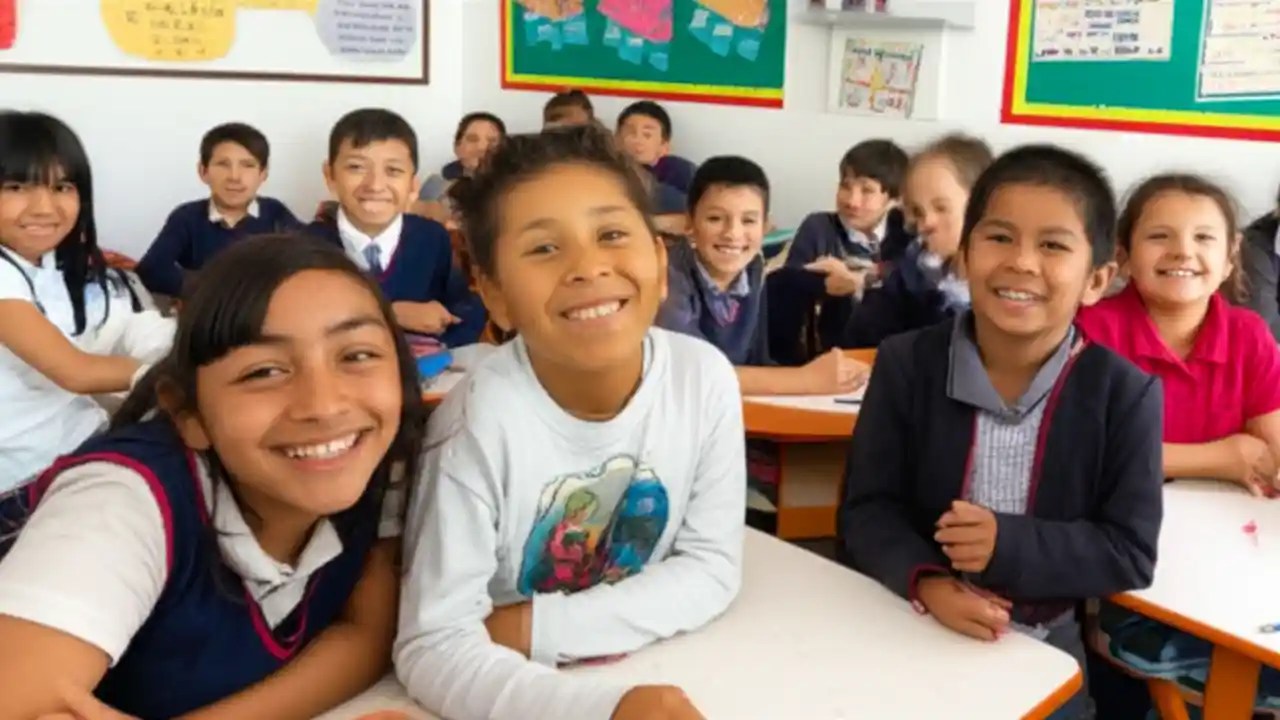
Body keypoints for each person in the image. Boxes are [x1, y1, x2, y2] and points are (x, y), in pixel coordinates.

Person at [395, 126, 744, 720]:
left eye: (611, 233)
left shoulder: (702, 379)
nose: (587, 267)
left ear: (661, 263)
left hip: (667, 663)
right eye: (544, 248)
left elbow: (711, 566)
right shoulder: (477, 423)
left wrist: (531, 626)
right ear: (495, 294)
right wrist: (604, 711)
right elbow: (432, 644)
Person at [0, 235, 424, 718]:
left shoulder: (379, 458)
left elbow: (364, 634)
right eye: (264, 371)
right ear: (188, 414)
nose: (326, 405)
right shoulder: (120, 505)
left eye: (357, 355)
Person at [839, 145, 1164, 720]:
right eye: (999, 237)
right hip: (911, 627)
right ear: (965, 254)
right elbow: (867, 509)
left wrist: (1006, 545)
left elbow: (1129, 552)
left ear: (1098, 279)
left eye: (1053, 245)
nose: (1021, 262)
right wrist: (931, 583)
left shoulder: (1125, 394)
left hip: (1041, 652)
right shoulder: (907, 364)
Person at [1077, 174, 1280, 712]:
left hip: (1225, 544)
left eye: (1204, 238)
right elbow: (1086, 457)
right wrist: (1222, 457)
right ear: (1122, 254)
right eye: (1159, 236)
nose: (1182, 252)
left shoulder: (1249, 334)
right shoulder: (1093, 332)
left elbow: (1273, 437)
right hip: (1124, 540)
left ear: (1232, 254)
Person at [0, 110, 174, 539]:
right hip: (21, 481)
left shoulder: (51, 268)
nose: (44, 206)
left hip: (76, 443)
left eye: (62, 187)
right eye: (18, 187)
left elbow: (119, 328)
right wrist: (176, 375)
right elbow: (75, 370)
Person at [658, 155, 868, 396]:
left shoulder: (752, 268)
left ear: (765, 226)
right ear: (690, 223)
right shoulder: (669, 278)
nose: (733, 233)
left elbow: (759, 360)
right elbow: (692, 373)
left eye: (748, 220)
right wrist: (804, 379)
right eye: (715, 218)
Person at [306, 108, 485, 347]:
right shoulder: (303, 248)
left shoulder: (432, 238)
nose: (375, 185)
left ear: (412, 185)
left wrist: (437, 348)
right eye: (356, 167)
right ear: (330, 176)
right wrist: (391, 313)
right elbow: (296, 327)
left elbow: (464, 312)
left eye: (393, 171)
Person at [843, 134, 993, 348]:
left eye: (941, 208)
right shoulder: (913, 271)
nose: (926, 223)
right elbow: (860, 339)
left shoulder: (1002, 290)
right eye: (918, 212)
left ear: (983, 204)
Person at [135, 122, 300, 298]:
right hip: (207, 316)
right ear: (203, 171)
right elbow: (151, 269)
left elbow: (306, 260)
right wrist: (215, 290)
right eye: (223, 164)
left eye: (248, 165)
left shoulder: (276, 214)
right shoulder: (187, 217)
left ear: (263, 174)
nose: (234, 177)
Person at [412, 111, 506, 224]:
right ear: (457, 147)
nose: (482, 147)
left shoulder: (515, 191)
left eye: (492, 141)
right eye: (472, 139)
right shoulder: (435, 186)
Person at [616, 100, 697, 196]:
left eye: (647, 135)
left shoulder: (683, 175)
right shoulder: (606, 174)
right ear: (616, 140)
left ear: (665, 147)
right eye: (631, 132)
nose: (637, 140)